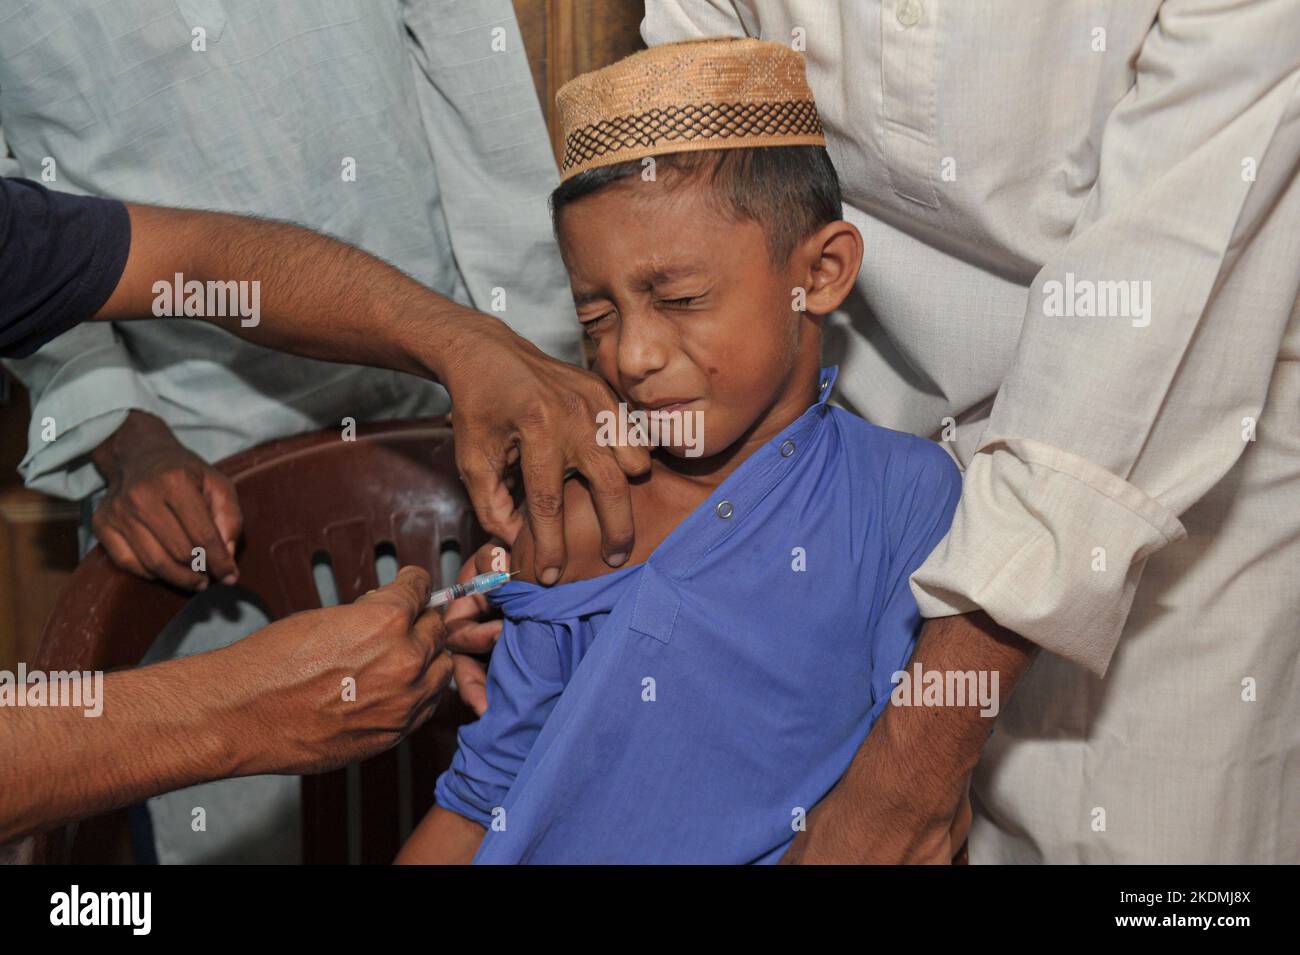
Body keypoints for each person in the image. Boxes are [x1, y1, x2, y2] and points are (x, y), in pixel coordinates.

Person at [636, 1, 1300, 863]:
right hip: (847, 447)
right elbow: (685, 218)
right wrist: (601, 581)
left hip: (1176, 457)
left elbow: (1159, 283)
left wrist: (904, 777)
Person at [0, 0, 627, 861]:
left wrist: (486, 351)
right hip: (209, 481)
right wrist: (236, 710)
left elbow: (178, 258)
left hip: (448, 408)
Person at [395, 39, 967, 864]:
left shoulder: (904, 500)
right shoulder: (580, 515)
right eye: (596, 317)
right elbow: (484, 797)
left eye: (681, 299)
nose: (631, 355)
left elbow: (915, 804)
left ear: (825, 271)